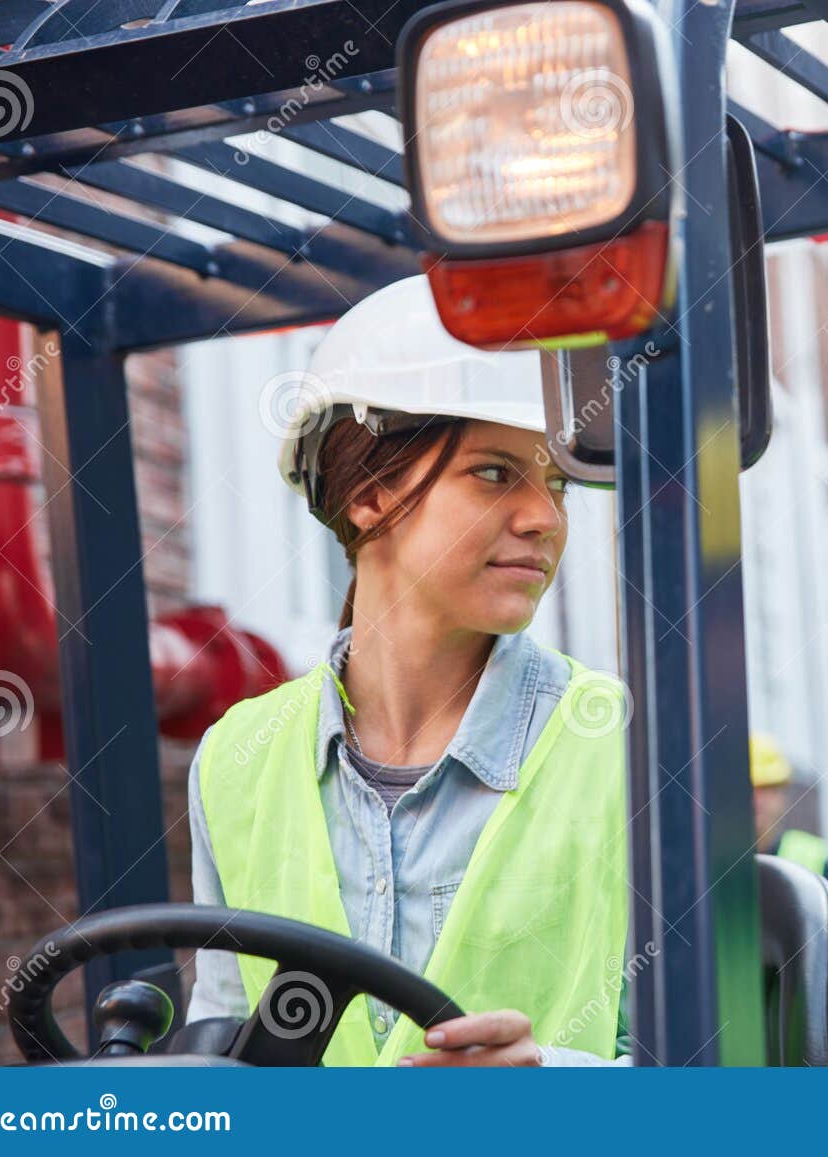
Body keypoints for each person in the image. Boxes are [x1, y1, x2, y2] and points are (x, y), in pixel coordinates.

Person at [184, 275, 629, 1067]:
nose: (545, 517)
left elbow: (717, 1060)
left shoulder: (631, 743)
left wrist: (555, 1085)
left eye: (555, 481)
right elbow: (221, 1042)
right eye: (496, 473)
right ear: (370, 490)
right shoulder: (233, 759)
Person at [750, 733, 828, 960]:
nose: (757, 799)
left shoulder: (812, 856)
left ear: (782, 795)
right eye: (749, 788)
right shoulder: (712, 866)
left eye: (767, 788)